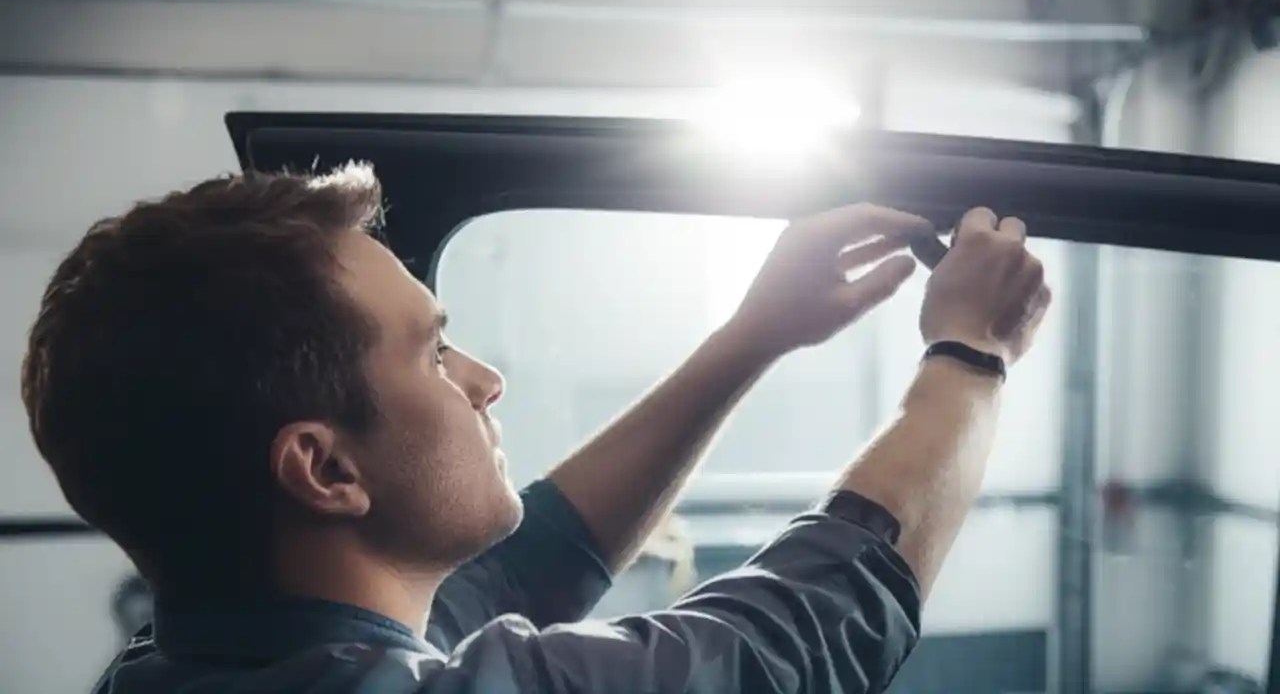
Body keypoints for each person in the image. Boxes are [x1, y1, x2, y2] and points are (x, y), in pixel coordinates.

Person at [21, 164, 1050, 693]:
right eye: (432, 351)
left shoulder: (177, 665)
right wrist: (971, 359)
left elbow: (523, 567)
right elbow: (797, 637)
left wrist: (753, 336)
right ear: (324, 468)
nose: (484, 380)